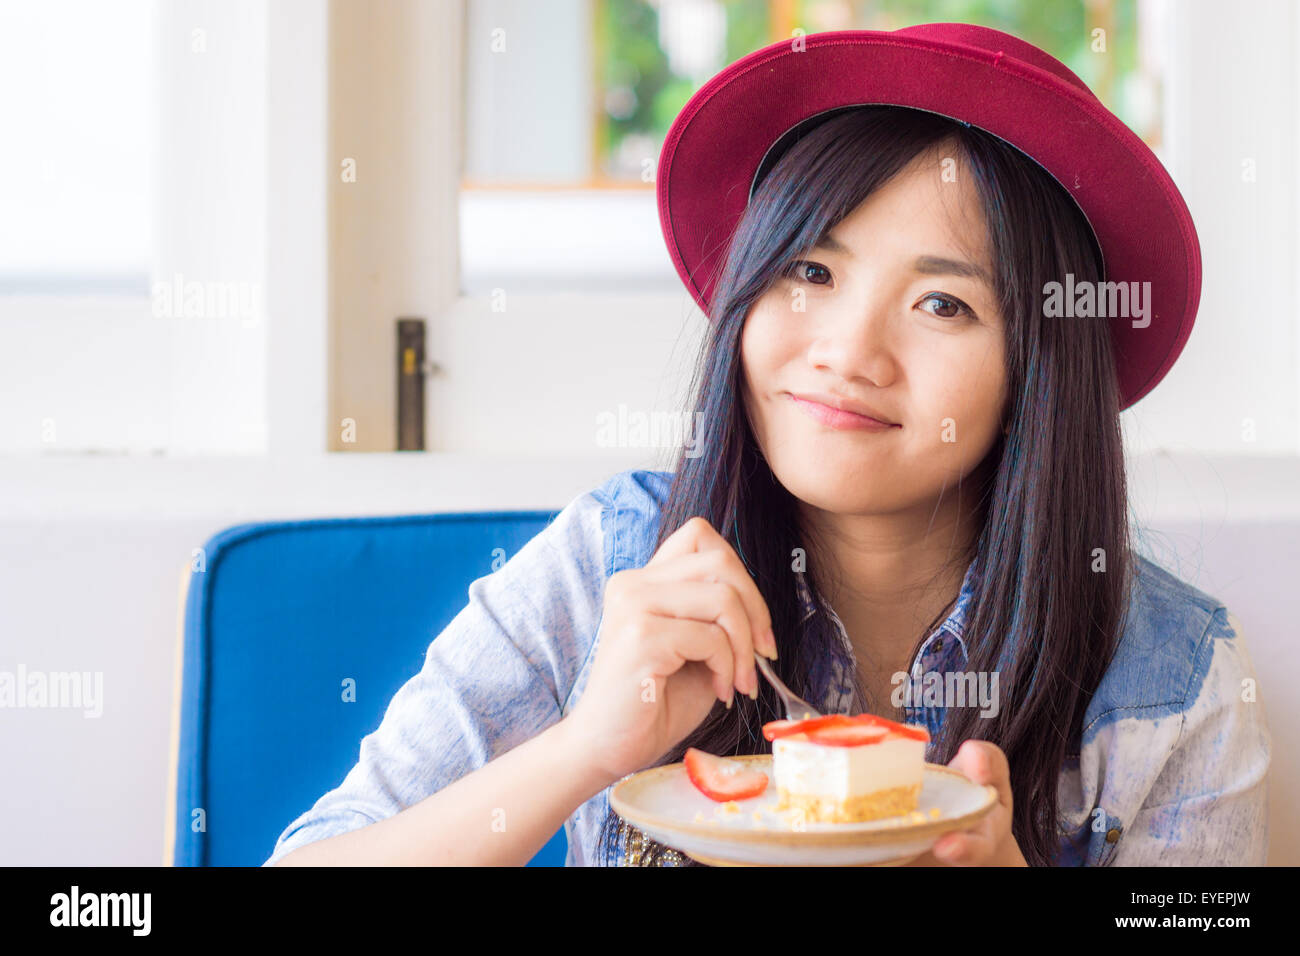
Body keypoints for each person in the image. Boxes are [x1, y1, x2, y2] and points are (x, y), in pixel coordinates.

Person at [265, 25, 1270, 867]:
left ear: (1037, 373)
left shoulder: (1173, 681)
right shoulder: (607, 571)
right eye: (808, 269)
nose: (847, 352)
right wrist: (585, 747)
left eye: (941, 301)